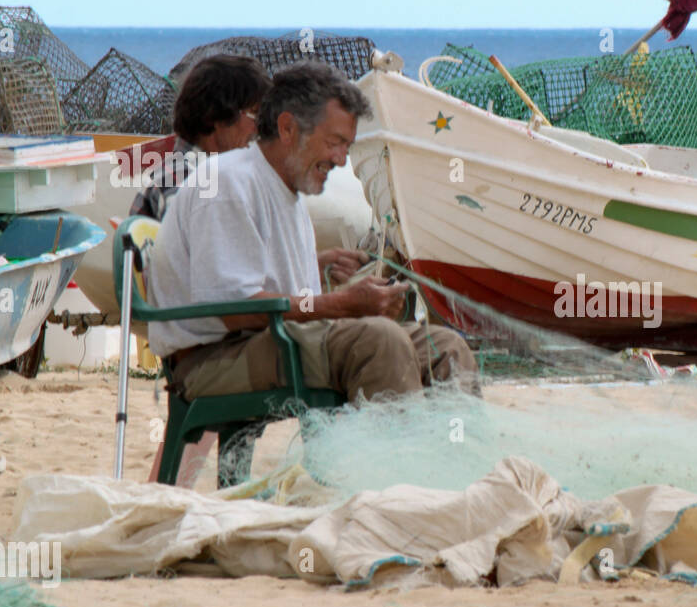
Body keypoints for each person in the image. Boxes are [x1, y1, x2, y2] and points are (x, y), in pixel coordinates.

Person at [145, 61, 478, 404]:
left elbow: (283, 298)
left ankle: (450, 457)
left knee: (447, 347)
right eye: (334, 142)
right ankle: (389, 458)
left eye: (347, 146)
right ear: (288, 128)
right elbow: (235, 309)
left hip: (272, 340)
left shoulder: (284, 190)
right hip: (214, 359)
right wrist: (340, 304)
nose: (340, 160)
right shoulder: (227, 182)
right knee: (379, 341)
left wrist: (346, 297)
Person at [130, 54, 272, 220]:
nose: (258, 127)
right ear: (216, 116)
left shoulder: (213, 174)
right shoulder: (182, 178)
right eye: (254, 114)